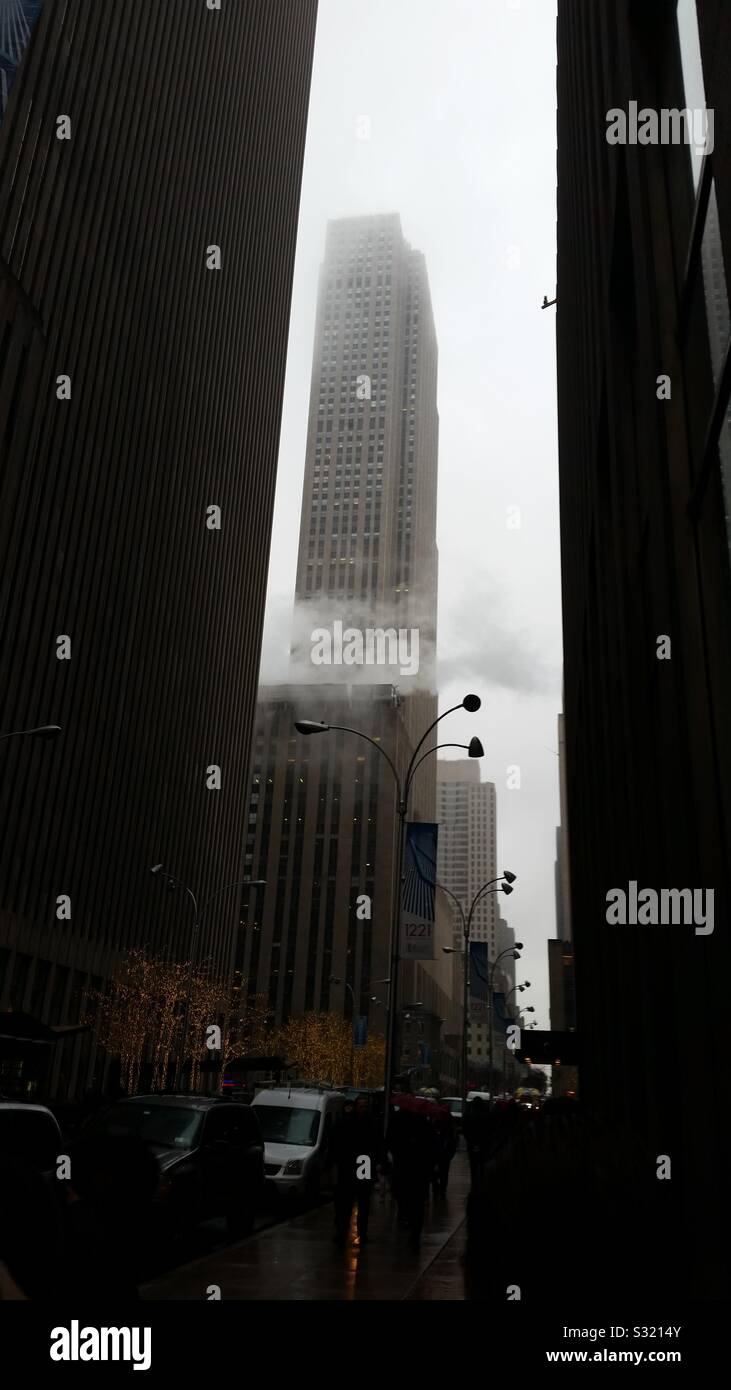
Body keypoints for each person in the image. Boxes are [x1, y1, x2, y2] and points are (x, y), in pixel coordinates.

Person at [331, 1097, 382, 1249]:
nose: (363, 1108)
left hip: (360, 1163)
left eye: (365, 1106)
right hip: (353, 1164)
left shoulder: (369, 1122)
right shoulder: (352, 1122)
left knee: (361, 1202)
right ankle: (344, 1232)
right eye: (361, 1106)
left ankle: (357, 1232)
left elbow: (377, 1143)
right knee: (348, 1203)